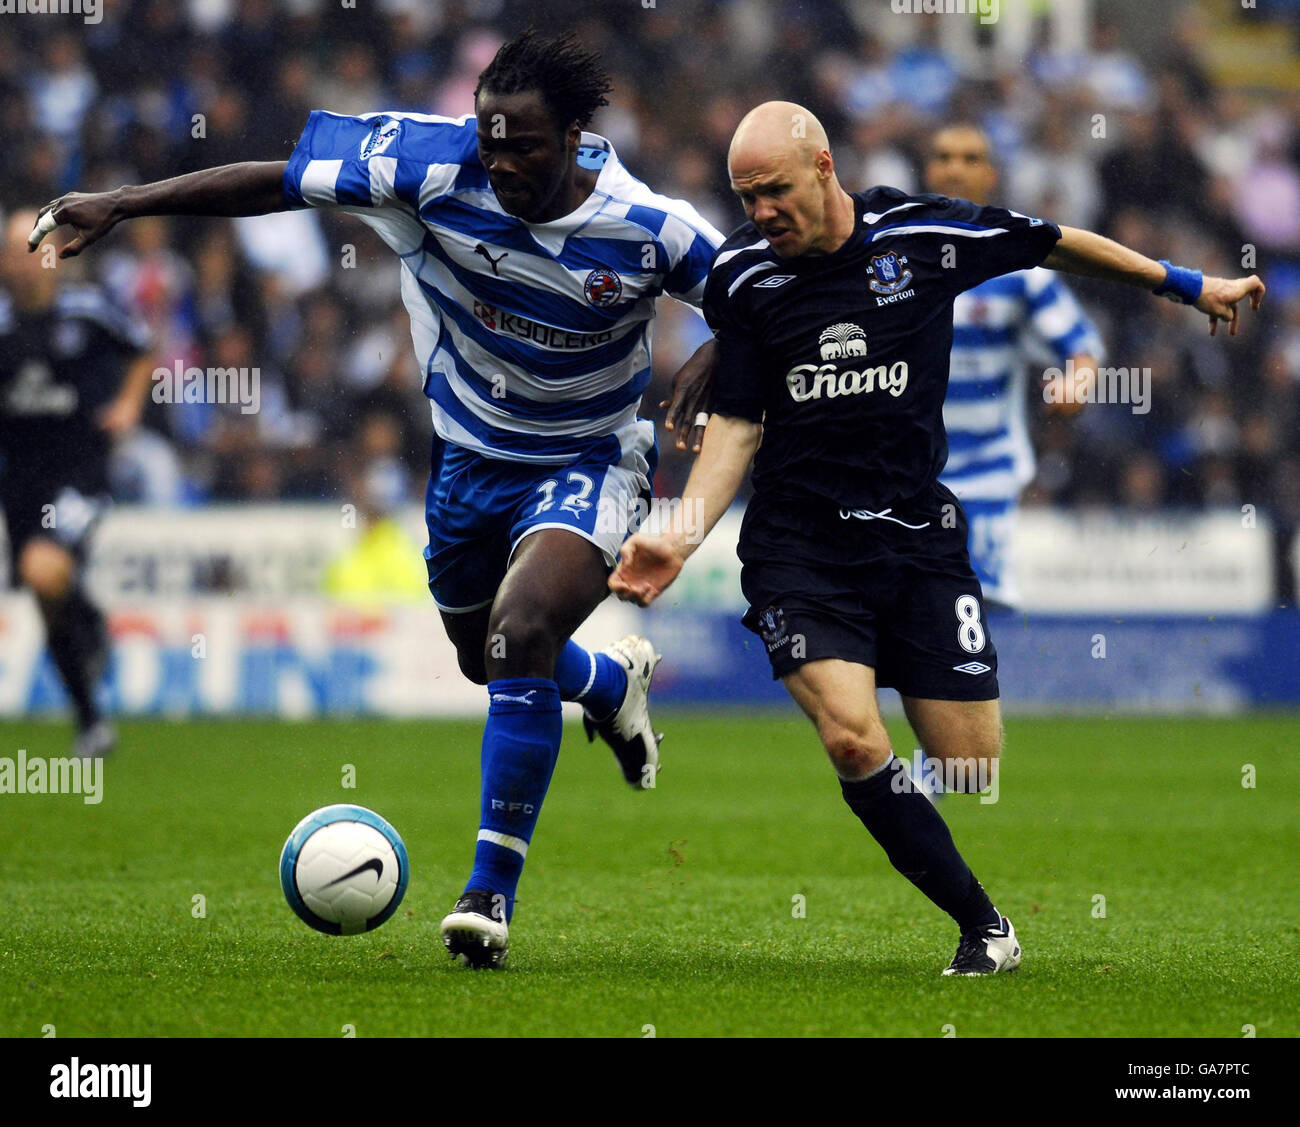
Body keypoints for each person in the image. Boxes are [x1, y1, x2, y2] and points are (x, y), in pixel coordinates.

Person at [29, 31, 724, 970]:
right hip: (470, 459)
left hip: (591, 458)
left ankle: (488, 895)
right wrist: (122, 202)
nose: (503, 160)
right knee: (488, 660)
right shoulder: (429, 165)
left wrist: (726, 341)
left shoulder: (651, 227)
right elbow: (275, 179)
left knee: (521, 631)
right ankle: (607, 683)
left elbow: (760, 293)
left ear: (574, 139)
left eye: (525, 144)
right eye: (491, 139)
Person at [610, 101, 1264, 975]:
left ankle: (899, 781)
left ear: (824, 167)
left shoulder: (923, 235)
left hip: (918, 537)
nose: (760, 212)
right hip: (798, 550)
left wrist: (1187, 285)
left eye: (774, 192)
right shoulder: (743, 278)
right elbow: (735, 426)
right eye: (745, 196)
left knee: (969, 769)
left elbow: (1057, 239)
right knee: (852, 737)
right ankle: (983, 925)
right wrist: (681, 534)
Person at [925, 122, 1104, 613]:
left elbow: (1081, 346)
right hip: (906, 474)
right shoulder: (890, 258)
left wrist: (1078, 380)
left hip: (986, 472)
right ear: (928, 168)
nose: (955, 169)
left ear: (991, 173)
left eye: (969, 158)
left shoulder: (1017, 266)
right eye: (944, 156)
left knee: (978, 612)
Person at [1, 208, 154, 760]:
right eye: (16, 253)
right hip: (19, 484)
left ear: (55, 256)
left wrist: (129, 405)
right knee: (47, 598)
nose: (27, 266)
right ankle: (91, 720)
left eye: (36, 251)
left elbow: (143, 346)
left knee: (44, 571)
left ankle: (88, 621)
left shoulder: (88, 313)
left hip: (81, 473)